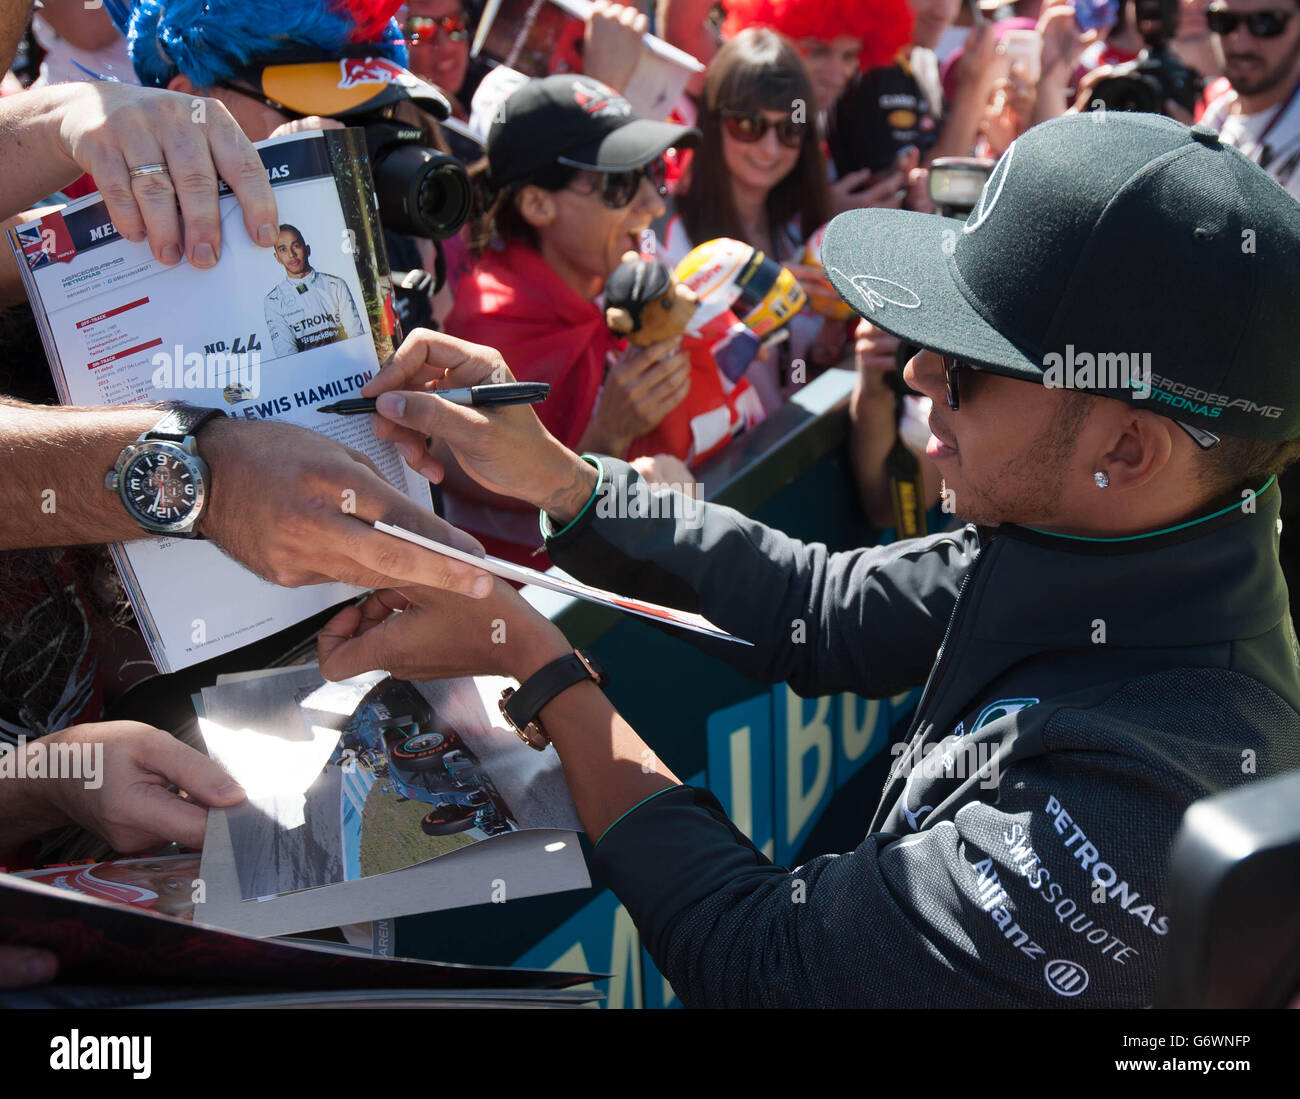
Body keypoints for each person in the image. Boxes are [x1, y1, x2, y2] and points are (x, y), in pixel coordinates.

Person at [339, 112, 1300, 1007]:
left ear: (1126, 452)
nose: (919, 372)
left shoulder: (1150, 804)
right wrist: (565, 480)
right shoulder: (1115, 537)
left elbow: (766, 958)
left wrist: (537, 665)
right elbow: (822, 606)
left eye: (967, 362)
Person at [441, 73, 698, 562]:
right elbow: (523, 524)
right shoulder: (487, 331)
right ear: (538, 204)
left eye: (653, 173)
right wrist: (611, 432)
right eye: (619, 184)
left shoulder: (623, 281)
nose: (653, 203)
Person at [263, 225, 366, 357]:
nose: (291, 254)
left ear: (307, 250)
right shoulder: (274, 301)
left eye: (295, 246)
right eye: (283, 249)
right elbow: (287, 355)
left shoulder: (336, 285)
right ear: (277, 257)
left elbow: (356, 337)